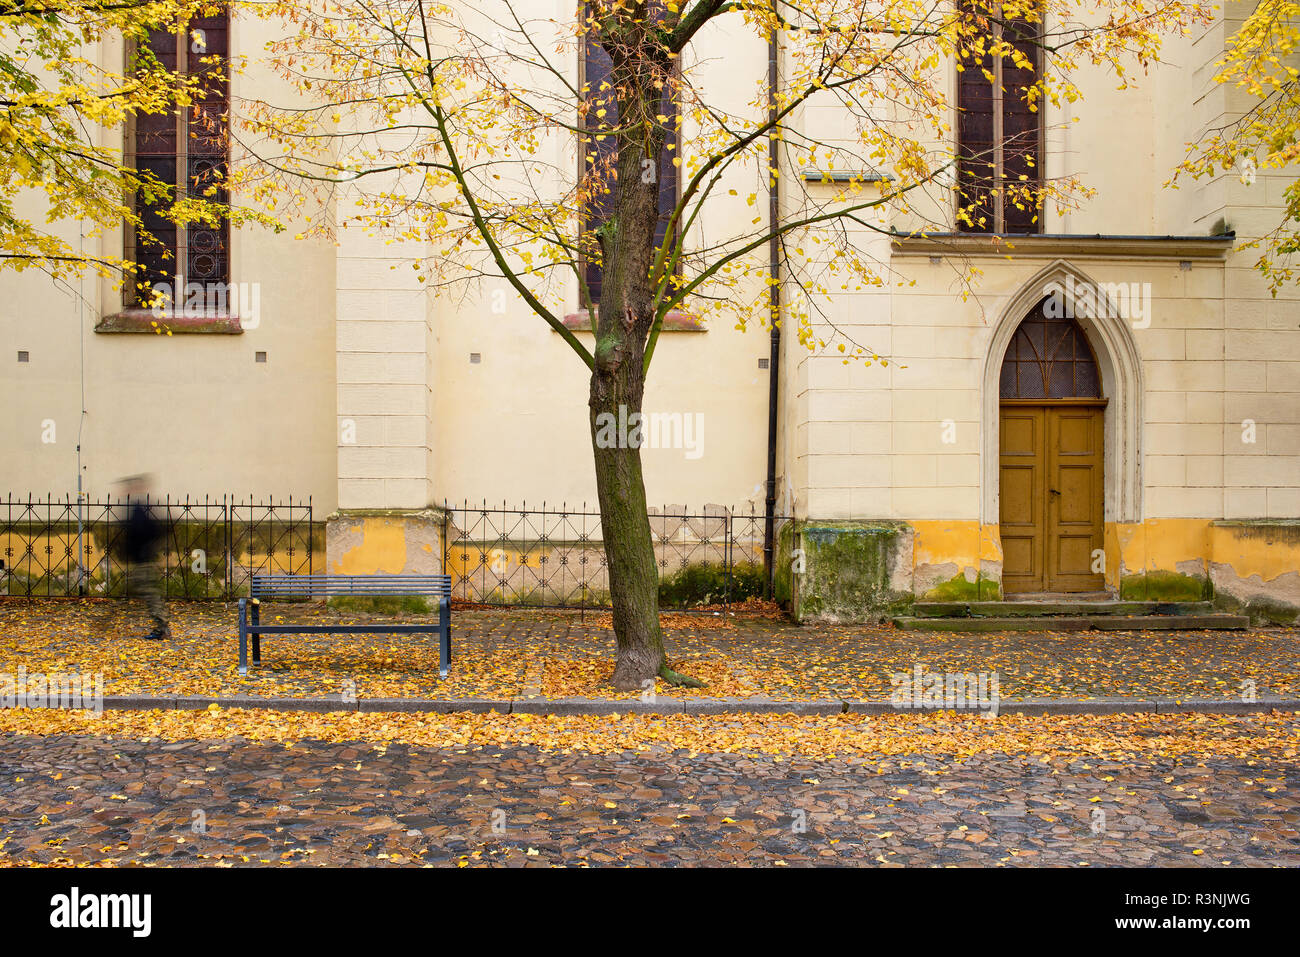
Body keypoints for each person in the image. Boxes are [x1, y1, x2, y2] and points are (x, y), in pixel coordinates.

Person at [118, 475, 172, 640]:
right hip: (143, 558)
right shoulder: (140, 508)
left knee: (150, 594)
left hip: (144, 559)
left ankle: (162, 628)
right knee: (148, 593)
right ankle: (162, 626)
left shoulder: (140, 509)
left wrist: (142, 548)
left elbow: (144, 532)